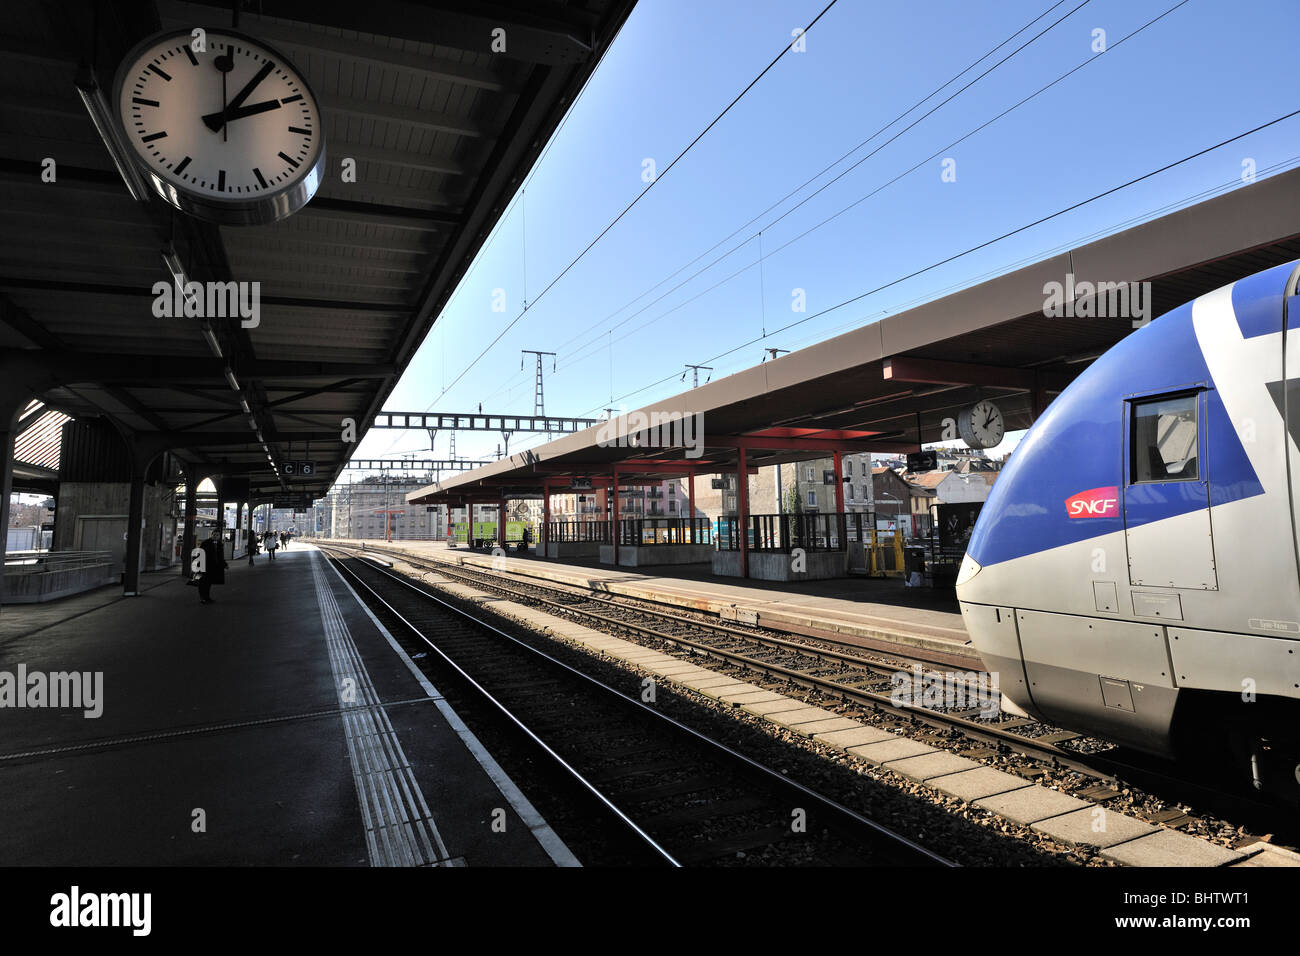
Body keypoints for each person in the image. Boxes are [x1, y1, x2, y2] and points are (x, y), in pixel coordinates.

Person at [197, 529, 227, 604]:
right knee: (203, 582)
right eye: (214, 535)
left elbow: (220, 556)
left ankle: (207, 597)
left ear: (219, 536)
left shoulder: (219, 544)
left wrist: (224, 564)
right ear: (211, 534)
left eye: (217, 535)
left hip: (213, 567)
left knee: (209, 582)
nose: (215, 536)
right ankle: (203, 598)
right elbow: (200, 554)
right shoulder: (206, 543)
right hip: (205, 566)